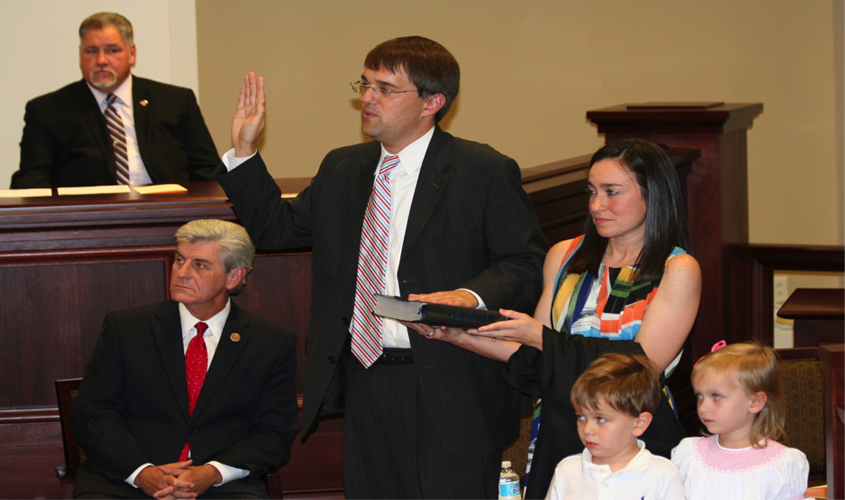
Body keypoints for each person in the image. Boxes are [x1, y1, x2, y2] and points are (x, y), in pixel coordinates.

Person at [215, 36, 548, 498]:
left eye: (386, 89)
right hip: (365, 378)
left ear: (433, 102)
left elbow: (525, 263)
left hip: (450, 379)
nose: (367, 99)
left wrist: (467, 297)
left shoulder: (481, 169)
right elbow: (275, 230)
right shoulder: (342, 168)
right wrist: (245, 152)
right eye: (366, 84)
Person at [421, 138, 701, 498]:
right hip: (562, 418)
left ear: (653, 195)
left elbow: (642, 364)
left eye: (612, 192)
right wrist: (455, 335)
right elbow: (537, 360)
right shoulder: (564, 255)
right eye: (592, 191)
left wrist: (541, 337)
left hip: (635, 427)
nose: (597, 205)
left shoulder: (676, 268)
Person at [70, 219, 298, 499]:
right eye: (180, 260)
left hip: (221, 485)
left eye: (200, 264)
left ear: (234, 277)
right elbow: (92, 413)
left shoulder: (271, 341)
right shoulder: (126, 328)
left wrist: (212, 472)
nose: (182, 273)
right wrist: (142, 473)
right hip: (126, 481)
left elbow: (274, 431)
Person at [10, 12, 219, 189]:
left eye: (112, 50)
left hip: (171, 217)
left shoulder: (176, 101)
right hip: (88, 222)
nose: (101, 60)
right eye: (92, 51)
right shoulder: (48, 111)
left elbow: (207, 171)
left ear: (132, 54)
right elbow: (32, 180)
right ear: (80, 56)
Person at [671, 342, 809, 500]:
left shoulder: (781, 464)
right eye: (699, 396)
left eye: (716, 396)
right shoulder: (689, 455)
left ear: (755, 402)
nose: (703, 407)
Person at [545, 353, 684, 500]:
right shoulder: (567, 471)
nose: (587, 429)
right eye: (581, 417)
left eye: (601, 419)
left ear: (639, 423)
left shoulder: (663, 474)